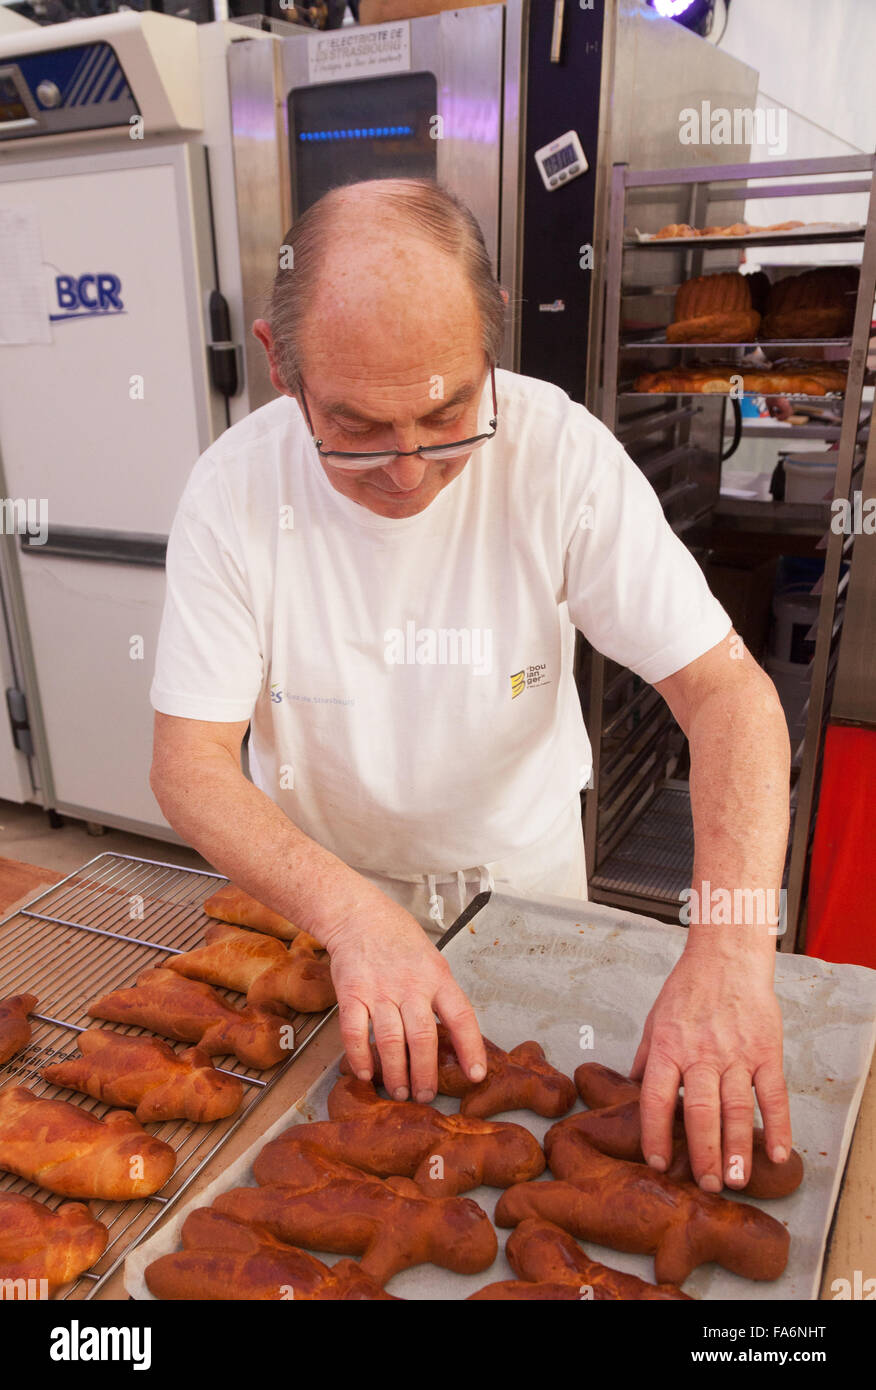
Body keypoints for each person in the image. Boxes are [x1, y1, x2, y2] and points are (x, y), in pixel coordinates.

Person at [150, 178, 793, 1194]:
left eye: (449, 412)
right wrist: (358, 918)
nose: (409, 469)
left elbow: (728, 697)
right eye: (357, 427)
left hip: (525, 900)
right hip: (318, 920)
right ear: (282, 368)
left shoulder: (557, 453)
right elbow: (190, 764)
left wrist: (729, 946)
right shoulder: (234, 492)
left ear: (491, 345)